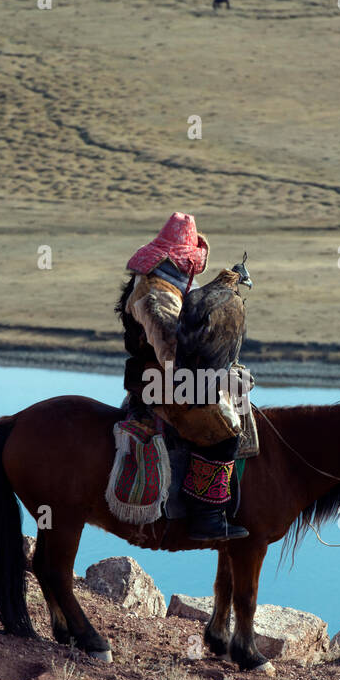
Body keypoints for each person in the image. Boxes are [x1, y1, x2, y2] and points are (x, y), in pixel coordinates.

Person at [116, 212, 250, 542]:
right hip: (164, 382)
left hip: (165, 376)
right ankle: (205, 517)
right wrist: (209, 379)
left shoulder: (168, 286)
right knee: (225, 431)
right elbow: (171, 353)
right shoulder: (156, 294)